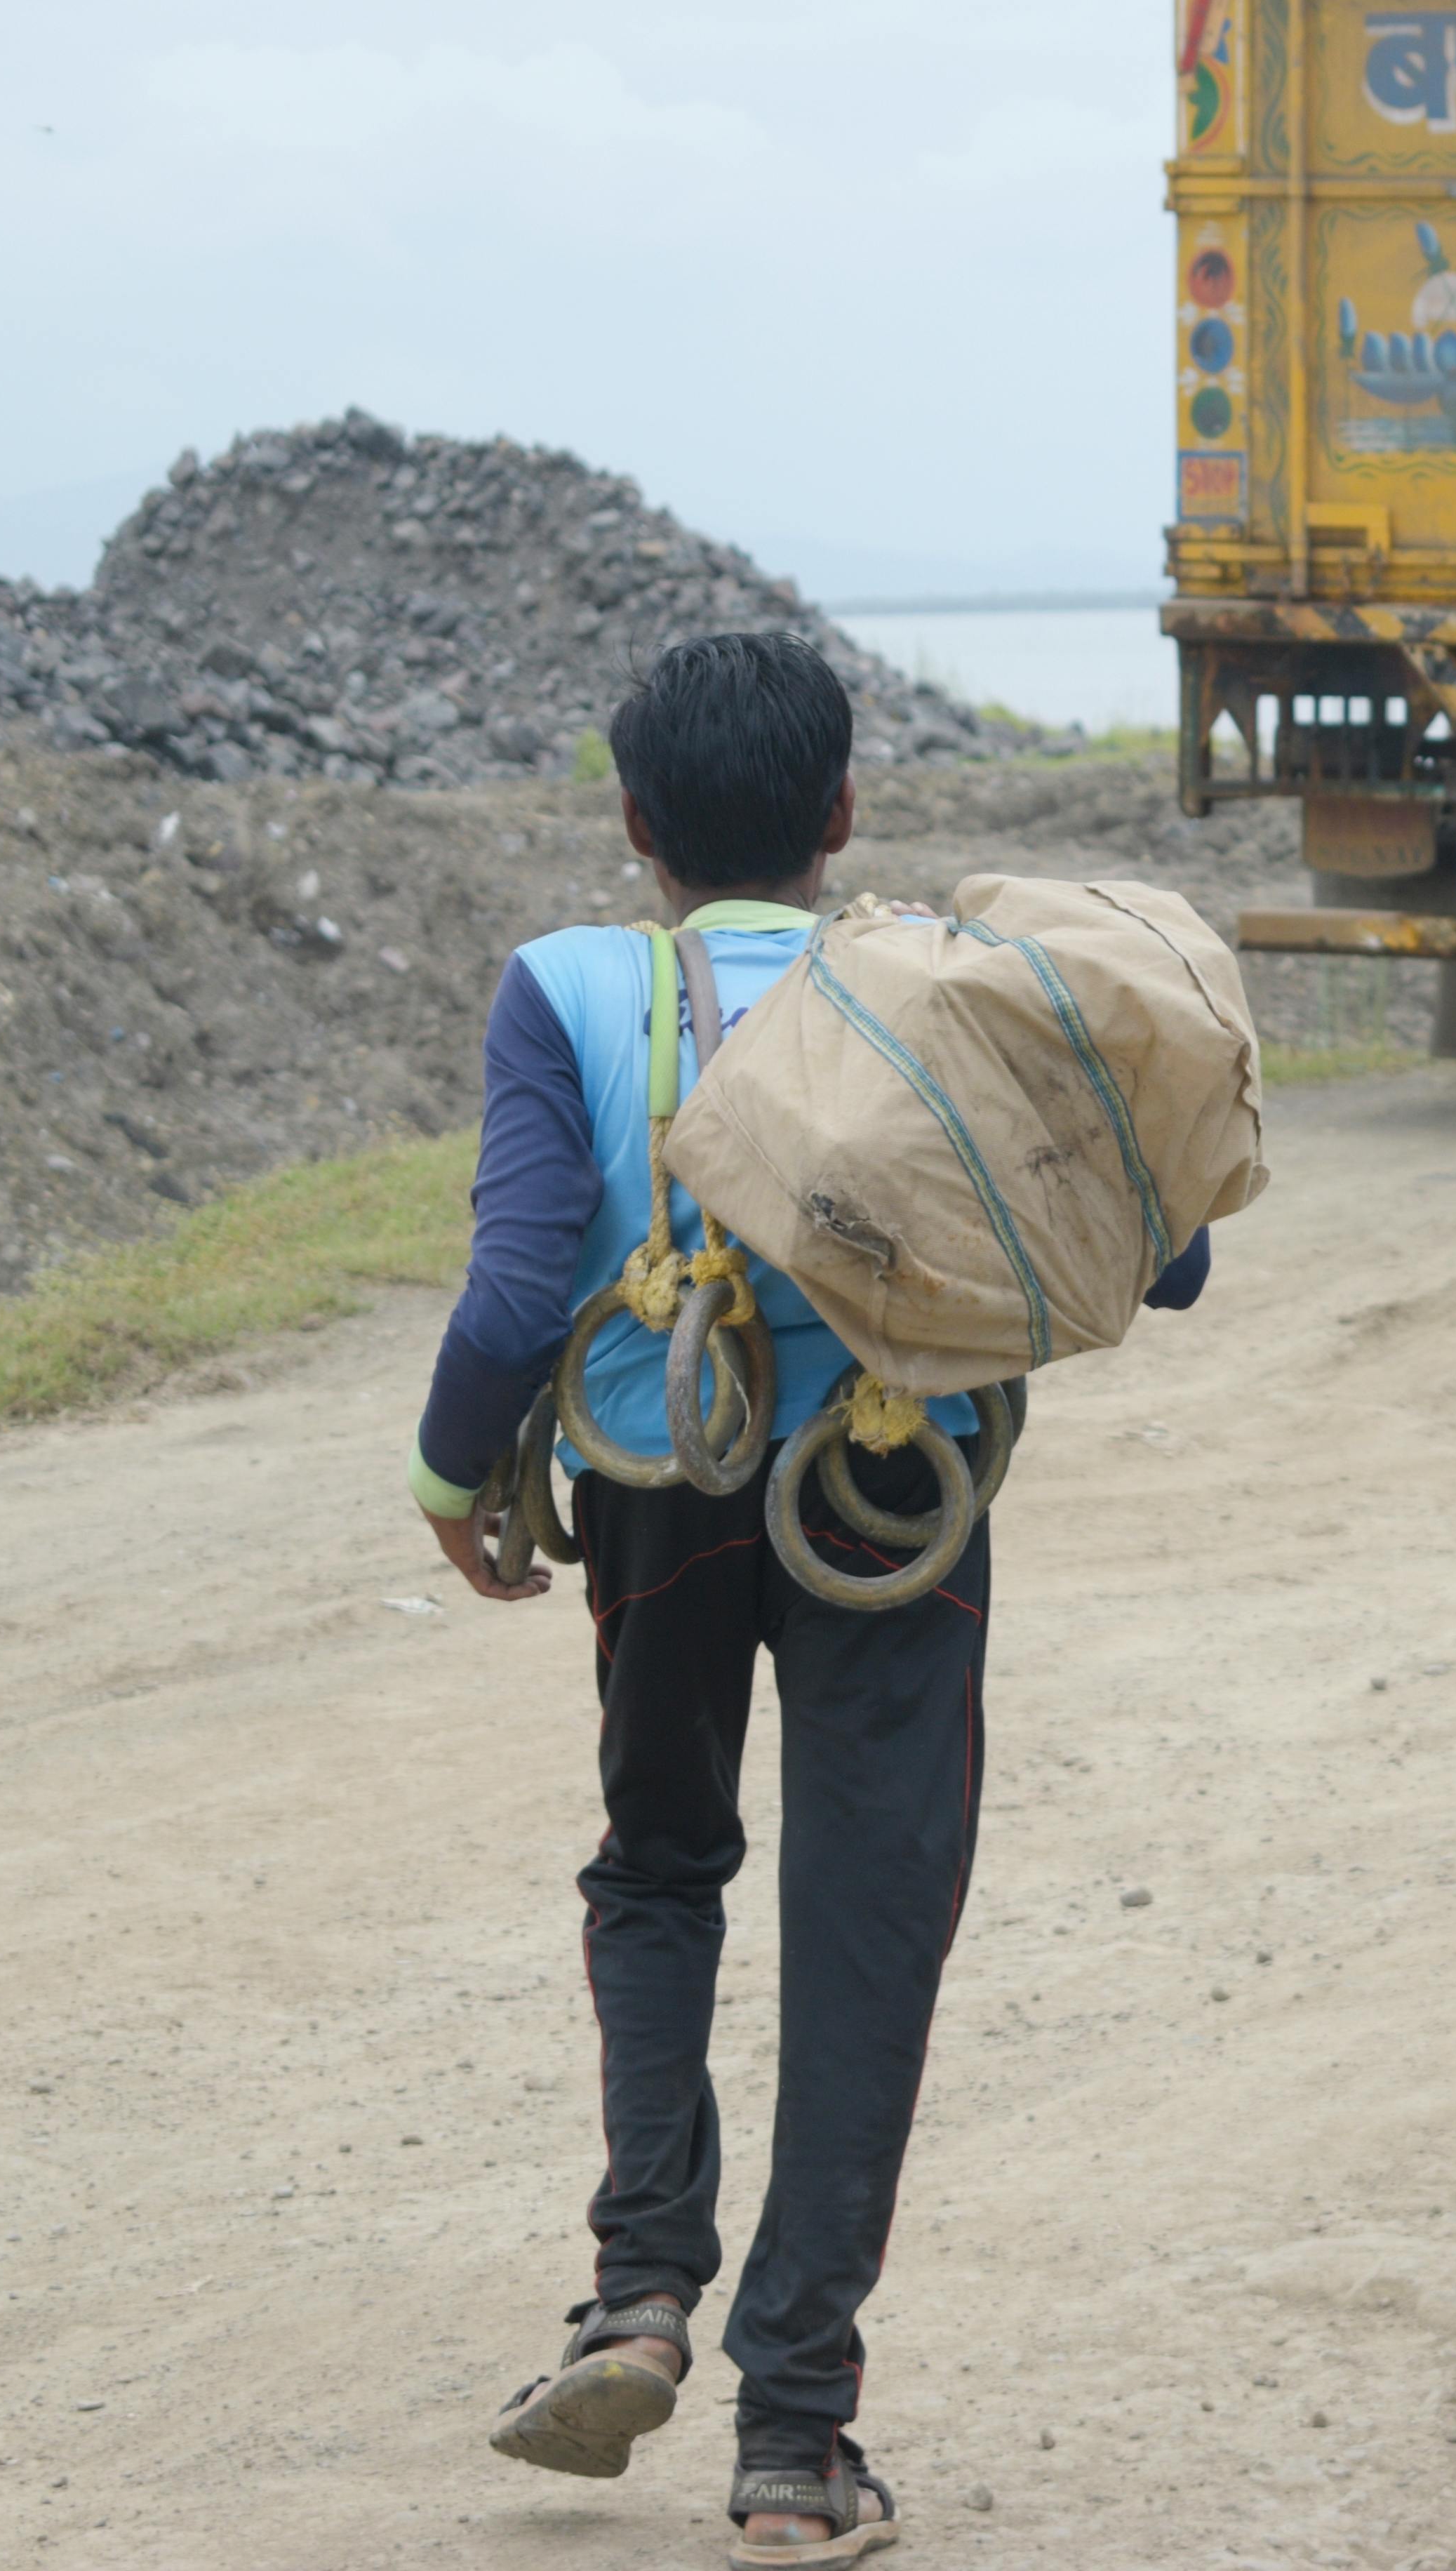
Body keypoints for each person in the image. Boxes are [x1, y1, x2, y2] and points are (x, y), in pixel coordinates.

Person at [413, 632, 1211, 2563]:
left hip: (652, 1504)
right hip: (895, 1504)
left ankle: (638, 2292)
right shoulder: (931, 987)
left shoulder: (568, 991)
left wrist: (454, 1474)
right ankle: (794, 2444)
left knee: (661, 1860)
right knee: (867, 1924)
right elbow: (1155, 1260)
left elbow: (523, 1295)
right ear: (842, 816)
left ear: (634, 827)